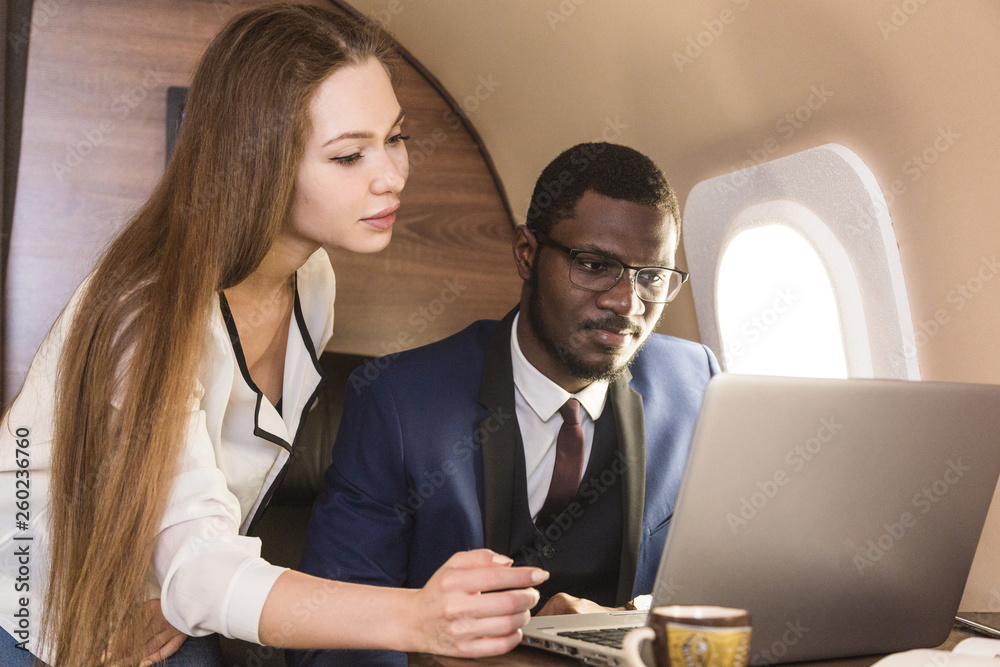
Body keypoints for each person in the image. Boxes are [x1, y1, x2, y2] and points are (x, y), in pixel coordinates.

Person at [0, 5, 547, 666]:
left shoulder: (314, 284)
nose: (392, 175)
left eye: (395, 137)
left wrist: (180, 585)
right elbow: (193, 564)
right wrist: (416, 617)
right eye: (349, 154)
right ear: (258, 161)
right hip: (33, 601)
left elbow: (196, 536)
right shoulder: (144, 314)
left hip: (162, 600)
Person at [291, 142, 720, 666]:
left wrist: (628, 620)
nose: (626, 303)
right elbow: (327, 639)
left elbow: (732, 591)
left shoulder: (697, 383)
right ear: (526, 254)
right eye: (593, 265)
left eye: (651, 276)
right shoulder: (398, 402)